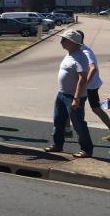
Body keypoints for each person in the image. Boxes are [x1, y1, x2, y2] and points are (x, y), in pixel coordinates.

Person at [45, 30, 93, 158]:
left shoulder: (80, 56)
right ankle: (57, 145)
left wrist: (76, 98)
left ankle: (86, 149)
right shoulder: (69, 54)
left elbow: (82, 78)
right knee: (58, 120)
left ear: (73, 42)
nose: (61, 42)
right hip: (62, 93)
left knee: (78, 123)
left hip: (73, 96)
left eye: (64, 40)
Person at [75, 30, 110, 142]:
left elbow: (93, 68)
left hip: (90, 86)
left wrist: (84, 84)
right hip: (91, 85)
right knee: (95, 108)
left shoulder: (85, 51)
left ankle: (67, 130)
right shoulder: (79, 50)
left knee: (73, 105)